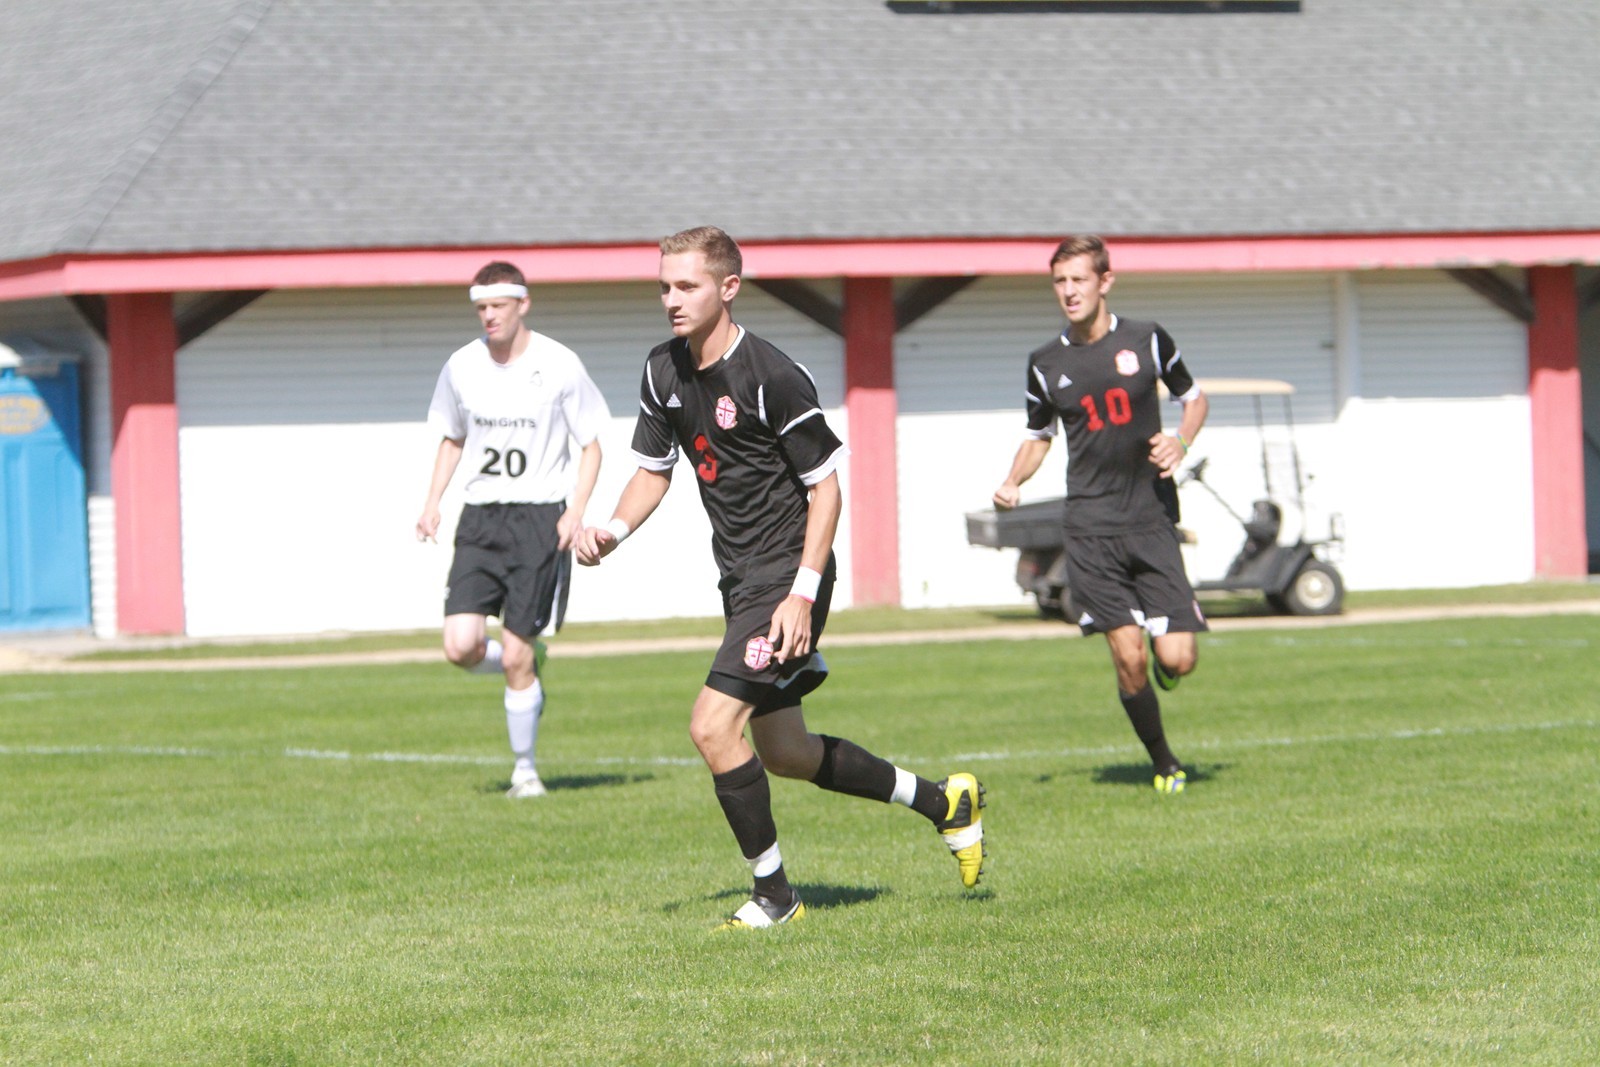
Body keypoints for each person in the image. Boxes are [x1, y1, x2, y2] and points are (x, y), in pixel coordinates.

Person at [575, 226, 985, 929]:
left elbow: (827, 490)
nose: (672, 299)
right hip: (741, 581)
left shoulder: (771, 374)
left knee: (711, 726)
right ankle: (945, 801)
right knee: (787, 752)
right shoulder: (661, 370)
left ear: (728, 288)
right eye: (665, 286)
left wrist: (802, 591)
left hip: (788, 579)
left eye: (688, 286)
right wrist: (611, 529)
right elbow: (653, 468)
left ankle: (775, 896)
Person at [992, 235, 1210, 795]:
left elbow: (1195, 398)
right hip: (1090, 527)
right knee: (1127, 655)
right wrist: (1014, 479)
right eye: (1060, 282)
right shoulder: (1045, 363)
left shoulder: (1147, 339)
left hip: (1152, 518)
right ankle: (1164, 763)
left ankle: (1170, 662)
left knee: (1177, 659)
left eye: (1079, 280)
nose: (1068, 291)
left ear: (1104, 282)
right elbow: (1038, 436)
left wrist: (1181, 443)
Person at [416, 261, 609, 799]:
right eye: (480, 308)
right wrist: (432, 502)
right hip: (480, 520)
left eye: (497, 306)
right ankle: (525, 664)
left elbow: (592, 443)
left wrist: (576, 511)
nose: (488, 317)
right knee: (460, 646)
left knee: (519, 652)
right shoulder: (461, 366)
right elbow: (452, 438)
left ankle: (524, 771)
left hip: (538, 518)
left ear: (522, 303)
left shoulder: (559, 364)